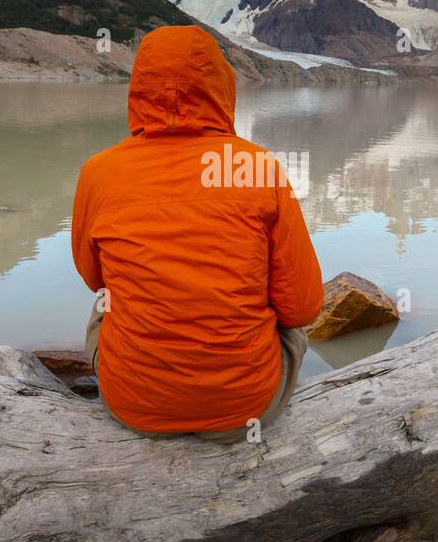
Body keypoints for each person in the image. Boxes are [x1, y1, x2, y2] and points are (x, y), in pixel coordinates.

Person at [71, 25, 323, 443]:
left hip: (135, 407)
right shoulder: (255, 166)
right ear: (221, 86)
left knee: (105, 301)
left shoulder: (98, 173)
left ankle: (146, 383)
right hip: (245, 411)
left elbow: (94, 277)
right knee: (286, 317)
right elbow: (303, 308)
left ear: (138, 89)